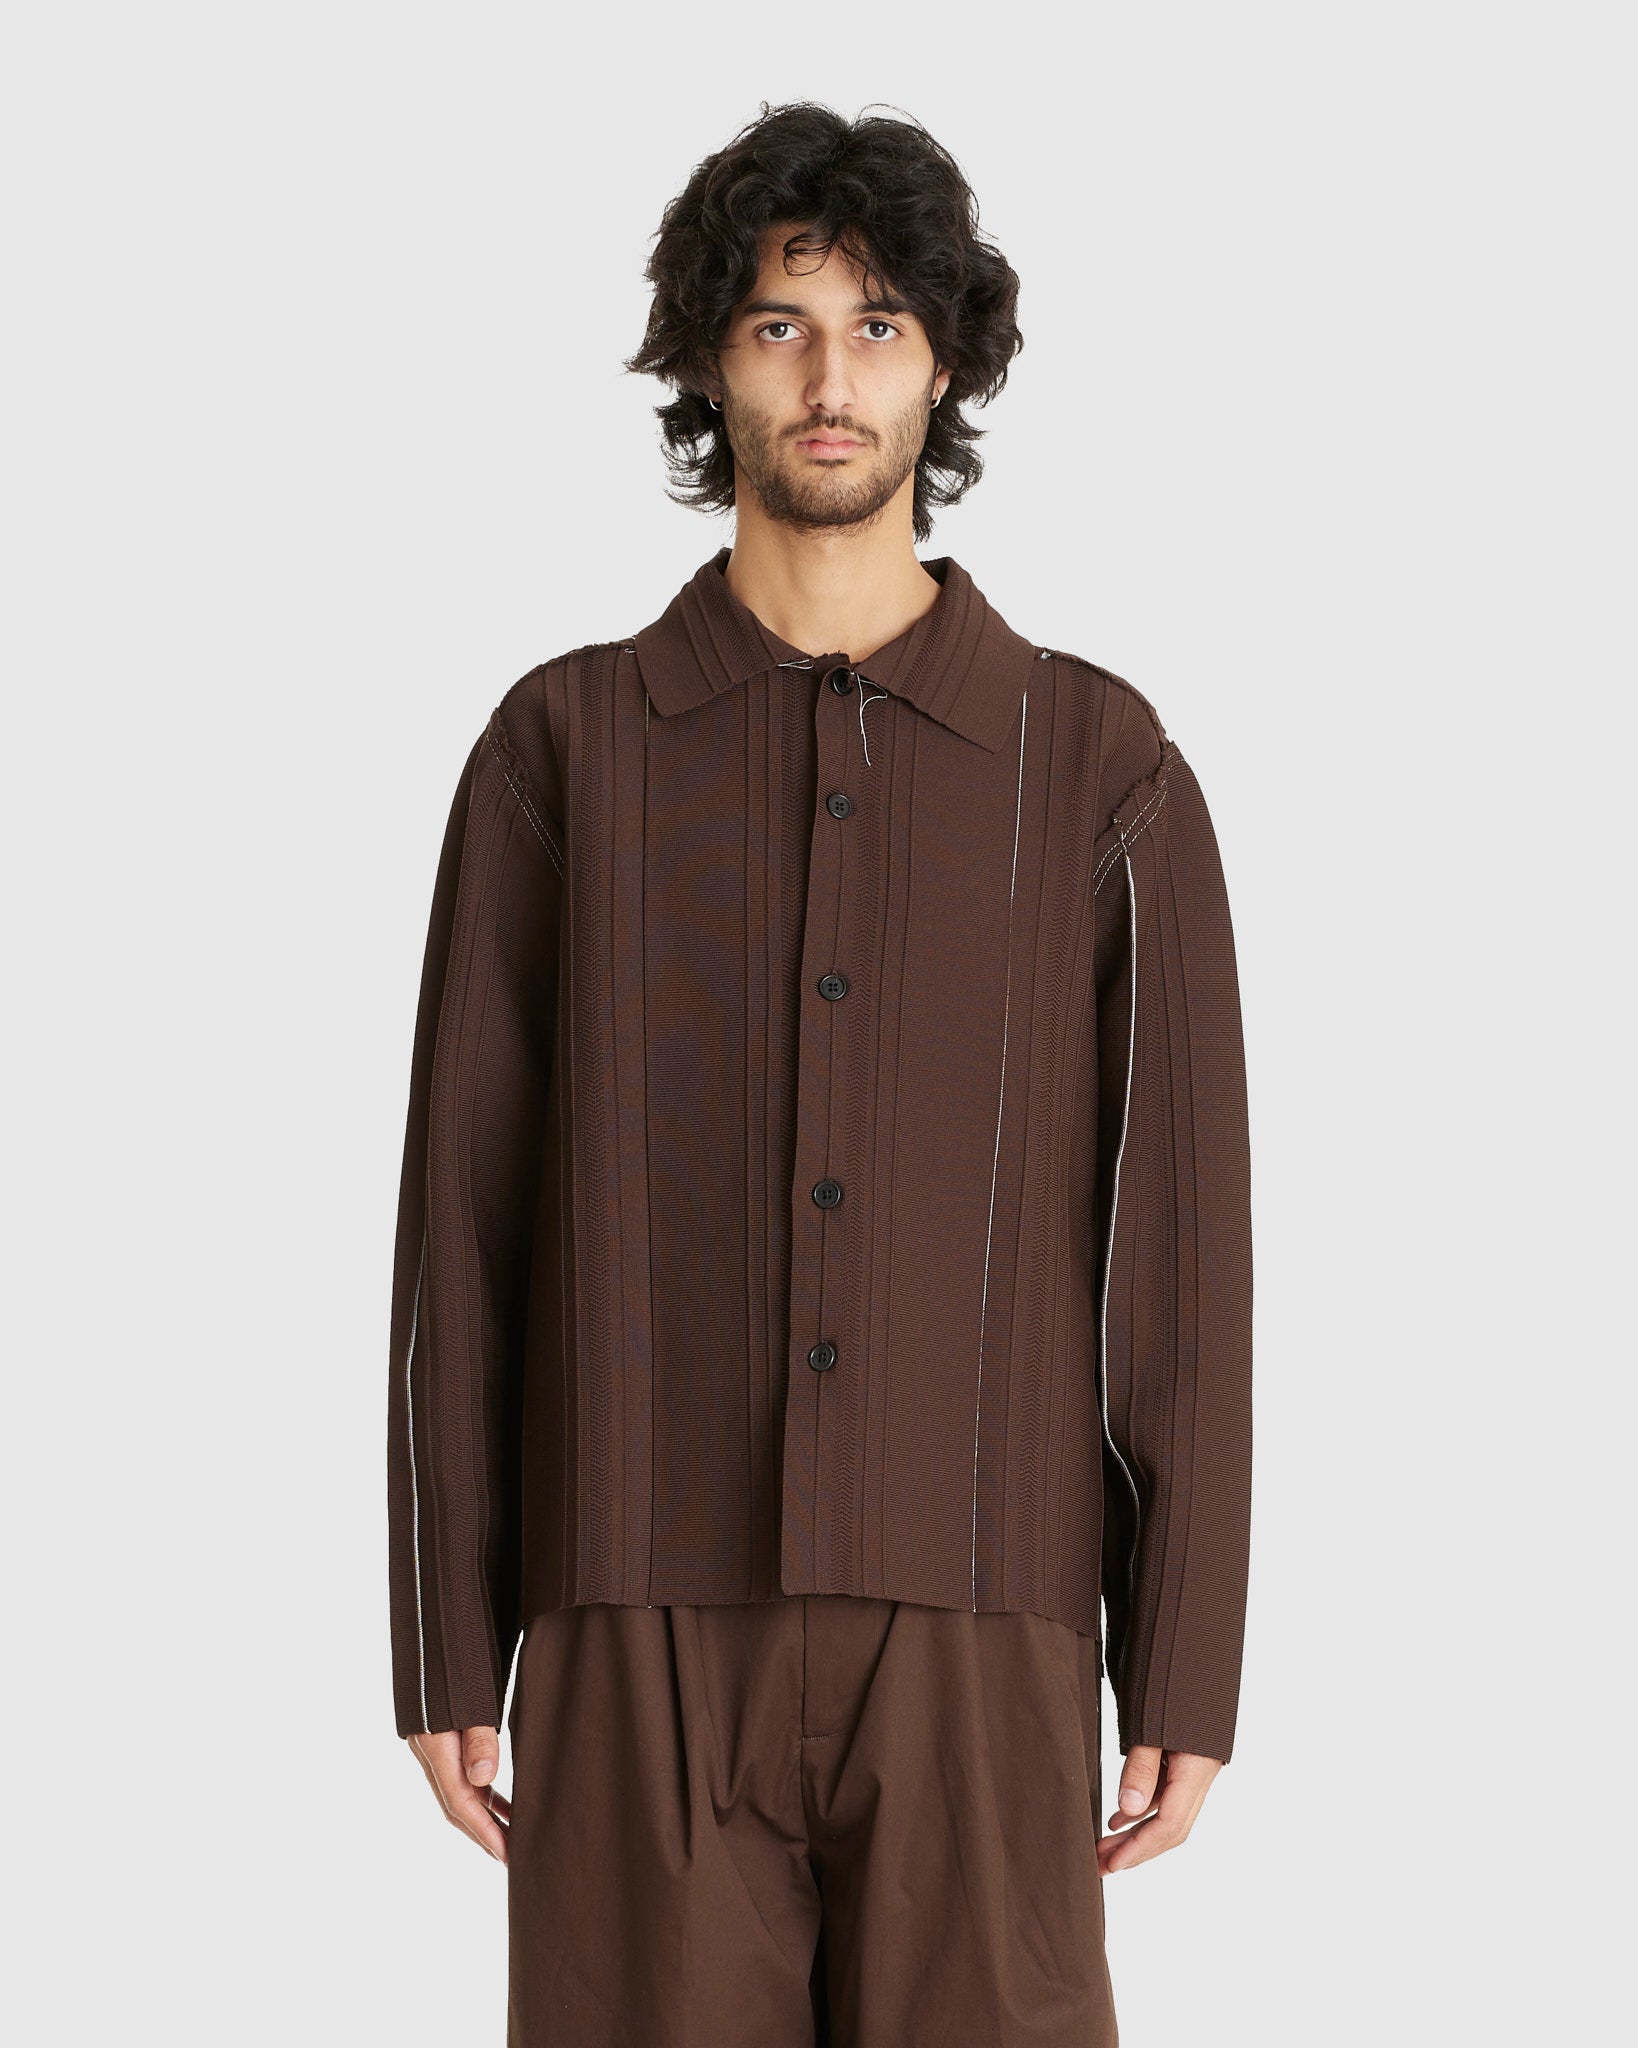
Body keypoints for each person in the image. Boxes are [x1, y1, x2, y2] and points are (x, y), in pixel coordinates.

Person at [387, 99, 1253, 2048]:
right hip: (634, 1607)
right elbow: (463, 1214)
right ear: (712, 362)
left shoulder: (1095, 765)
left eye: (877, 326)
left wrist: (1184, 1651)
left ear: (944, 367)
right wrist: (446, 1621)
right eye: (780, 324)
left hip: (984, 1615)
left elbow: (1179, 1250)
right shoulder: (564, 751)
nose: (830, 378)